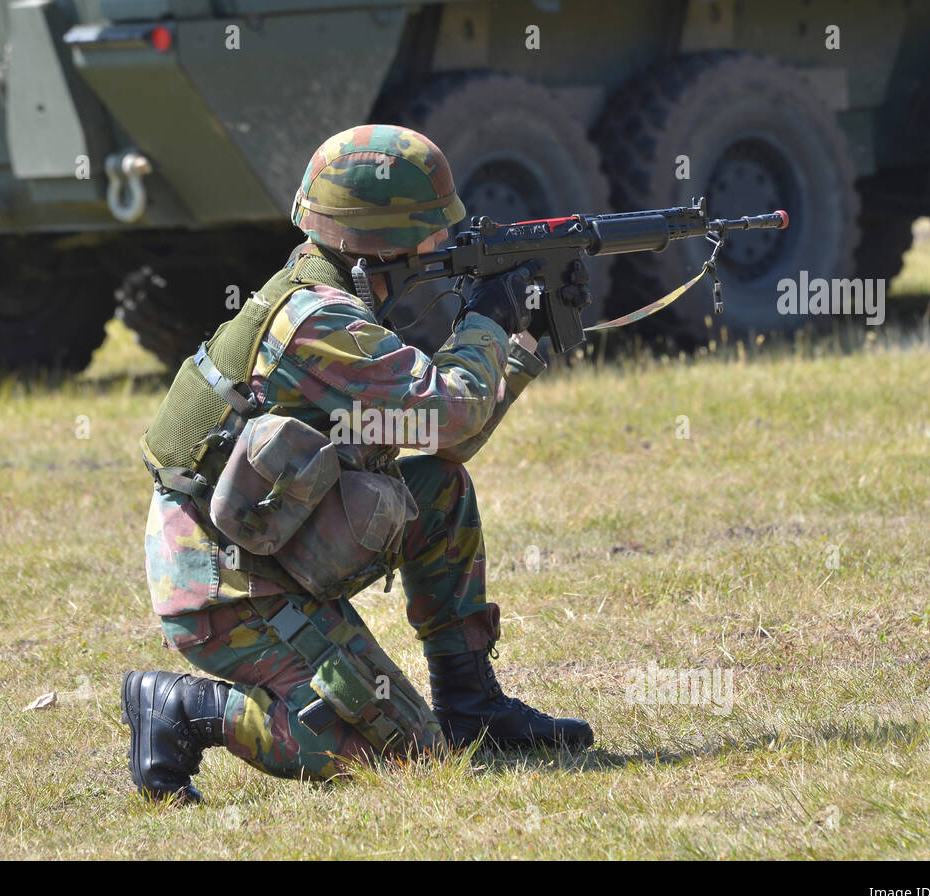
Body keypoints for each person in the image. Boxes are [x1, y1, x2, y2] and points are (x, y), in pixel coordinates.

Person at [123, 124, 594, 804]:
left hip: (277, 531)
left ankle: (473, 705)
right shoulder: (319, 324)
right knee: (401, 758)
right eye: (433, 233)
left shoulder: (338, 296)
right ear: (383, 240)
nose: (445, 246)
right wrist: (489, 319)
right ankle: (183, 707)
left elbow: (446, 442)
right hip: (220, 576)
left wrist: (520, 340)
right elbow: (451, 410)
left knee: (438, 490)